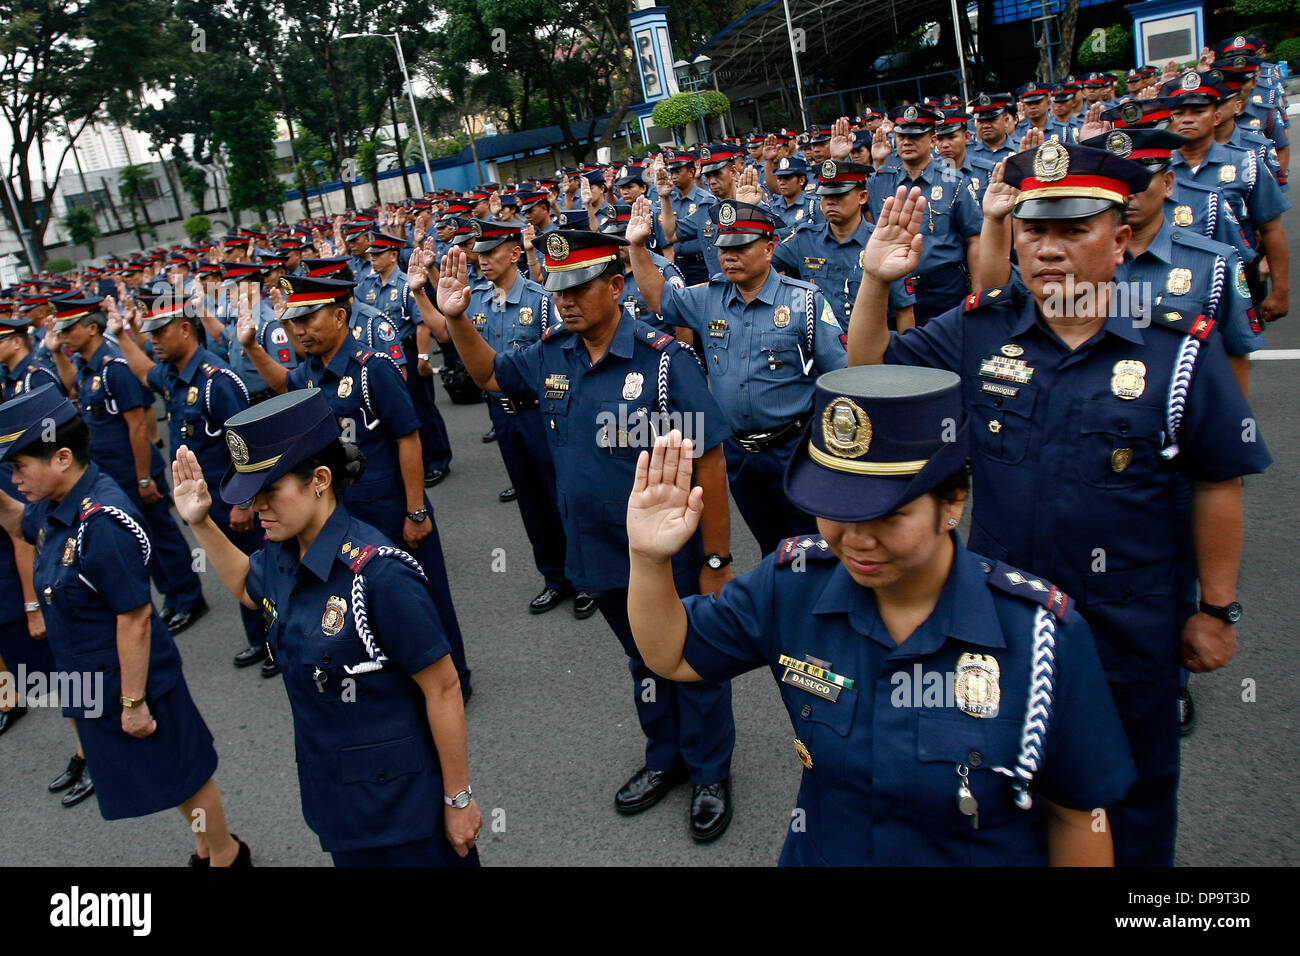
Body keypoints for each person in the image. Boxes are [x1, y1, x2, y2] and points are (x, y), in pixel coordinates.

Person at [848, 142, 1272, 866]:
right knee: (1001, 792)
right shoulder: (981, 331)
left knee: (1128, 803)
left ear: (1121, 238)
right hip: (1001, 625)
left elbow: (1216, 481)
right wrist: (876, 284)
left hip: (1127, 632)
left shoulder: (1177, 353)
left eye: (1073, 230)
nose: (1049, 249)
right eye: (1034, 229)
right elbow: (867, 376)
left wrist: (1216, 608)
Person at [626, 368, 1138, 865]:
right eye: (837, 508)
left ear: (953, 500)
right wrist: (649, 560)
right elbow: (672, 654)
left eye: (889, 514)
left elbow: (1079, 819)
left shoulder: (1042, 636)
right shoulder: (793, 584)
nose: (858, 539)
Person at [436, 230, 738, 841]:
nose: (566, 300)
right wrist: (459, 319)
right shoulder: (553, 352)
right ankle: (666, 757)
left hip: (667, 556)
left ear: (615, 286)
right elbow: (491, 376)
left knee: (691, 659)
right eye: (557, 288)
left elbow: (709, 458)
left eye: (578, 286)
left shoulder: (660, 361)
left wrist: (716, 557)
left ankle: (709, 771)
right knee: (642, 661)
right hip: (597, 551)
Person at [171, 388, 481, 866]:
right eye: (253, 496)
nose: (257, 510)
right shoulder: (281, 548)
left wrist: (458, 799)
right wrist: (200, 523)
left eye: (269, 491)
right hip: (336, 798)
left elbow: (443, 688)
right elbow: (250, 589)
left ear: (319, 479)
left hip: (402, 812)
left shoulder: (379, 574)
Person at [0, 384, 249, 865]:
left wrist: (133, 703)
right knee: (167, 779)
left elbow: (133, 618)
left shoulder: (102, 521)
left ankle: (225, 855)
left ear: (62, 457)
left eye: (19, 468)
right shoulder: (57, 506)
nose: (15, 480)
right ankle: (206, 847)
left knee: (185, 778)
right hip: (92, 677)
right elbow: (19, 523)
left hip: (132, 682)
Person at [235, 274, 474, 700]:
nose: (300, 330)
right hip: (338, 517)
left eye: (309, 318)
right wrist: (253, 346)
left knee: (423, 597)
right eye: (294, 321)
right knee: (363, 604)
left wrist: (415, 510)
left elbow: (408, 438)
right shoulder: (308, 375)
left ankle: (453, 682)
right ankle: (402, 685)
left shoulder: (371, 369)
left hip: (388, 508)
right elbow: (281, 385)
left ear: (340, 315)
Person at [630, 197, 847, 556]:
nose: (729, 256)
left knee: (815, 545)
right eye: (724, 248)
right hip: (741, 454)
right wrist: (638, 247)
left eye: (742, 247)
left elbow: (840, 376)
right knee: (771, 545)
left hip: (796, 448)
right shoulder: (709, 298)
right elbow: (659, 301)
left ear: (770, 247)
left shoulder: (804, 302)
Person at [422, 218, 584, 618]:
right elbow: (449, 334)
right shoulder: (474, 297)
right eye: (478, 253)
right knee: (531, 500)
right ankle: (554, 577)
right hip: (505, 416)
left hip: (542, 412)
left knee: (563, 497)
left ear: (515, 253)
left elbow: (562, 358)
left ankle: (585, 579)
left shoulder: (541, 298)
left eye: (491, 252)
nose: (481, 261)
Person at [110, 291, 274, 675]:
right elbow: (142, 370)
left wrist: (244, 502)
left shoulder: (216, 379)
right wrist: (120, 336)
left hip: (232, 496)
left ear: (185, 329)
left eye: (159, 332)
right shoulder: (173, 374)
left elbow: (248, 443)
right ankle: (260, 639)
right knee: (235, 570)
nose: (152, 339)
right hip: (208, 500)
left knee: (257, 568)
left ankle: (277, 640)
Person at [43, 295, 208, 635]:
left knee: (161, 536)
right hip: (112, 473)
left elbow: (137, 425)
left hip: (134, 471)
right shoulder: (90, 368)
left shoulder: (114, 368)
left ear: (92, 329)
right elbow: (74, 386)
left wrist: (145, 477)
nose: (63, 335)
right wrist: (58, 353)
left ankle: (189, 596)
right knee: (141, 539)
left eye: (69, 329)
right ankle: (172, 597)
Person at [868, 107, 984, 324]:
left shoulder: (954, 181)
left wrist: (977, 291)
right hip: (894, 287)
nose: (907, 142)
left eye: (915, 136)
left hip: (942, 289)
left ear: (932, 140)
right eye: (901, 136)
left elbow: (974, 238)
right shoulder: (879, 181)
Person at [773, 159, 916, 331]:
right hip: (820, 349)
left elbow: (904, 311)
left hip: (868, 348)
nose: (830, 202)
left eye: (839, 195)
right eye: (825, 196)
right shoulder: (805, 239)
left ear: (862, 197)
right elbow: (757, 263)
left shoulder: (882, 243)